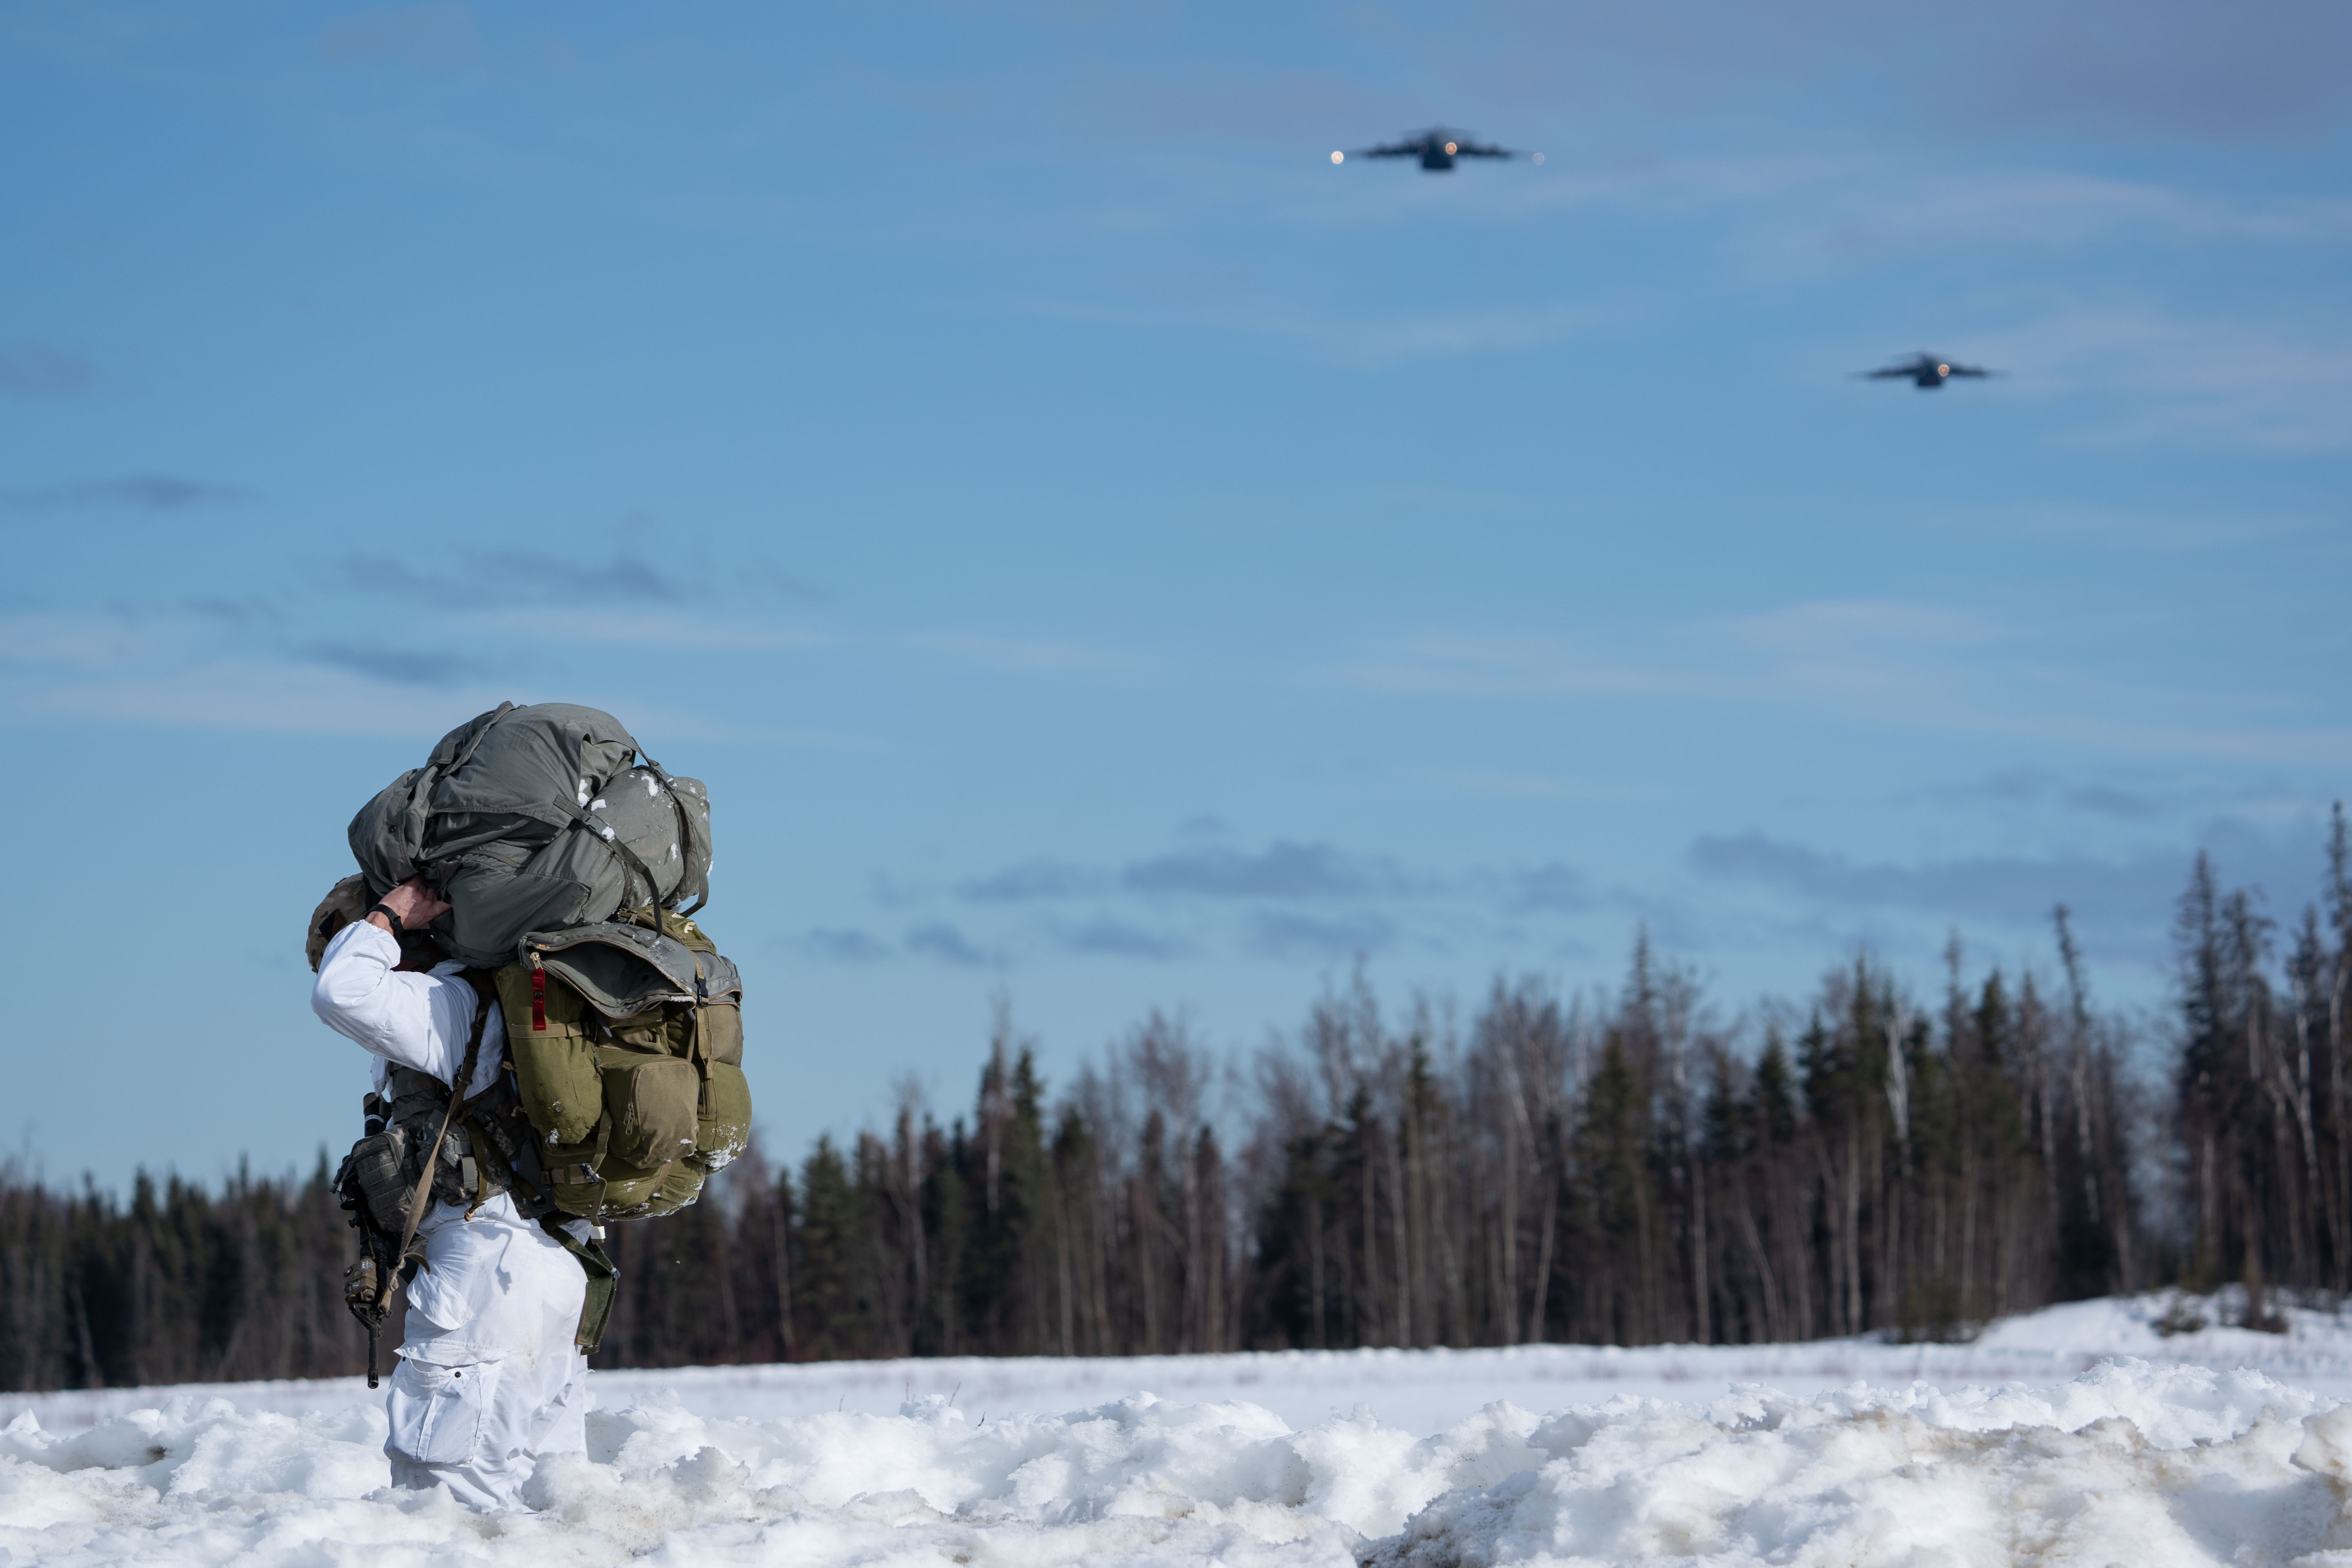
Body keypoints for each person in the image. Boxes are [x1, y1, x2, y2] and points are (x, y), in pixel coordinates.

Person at [311, 874, 592, 1512]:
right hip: (546, 1269)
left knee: (443, 1512)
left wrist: (385, 915)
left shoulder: (444, 1002)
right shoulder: (492, 1007)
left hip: (483, 1286)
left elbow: (341, 992)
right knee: (549, 1510)